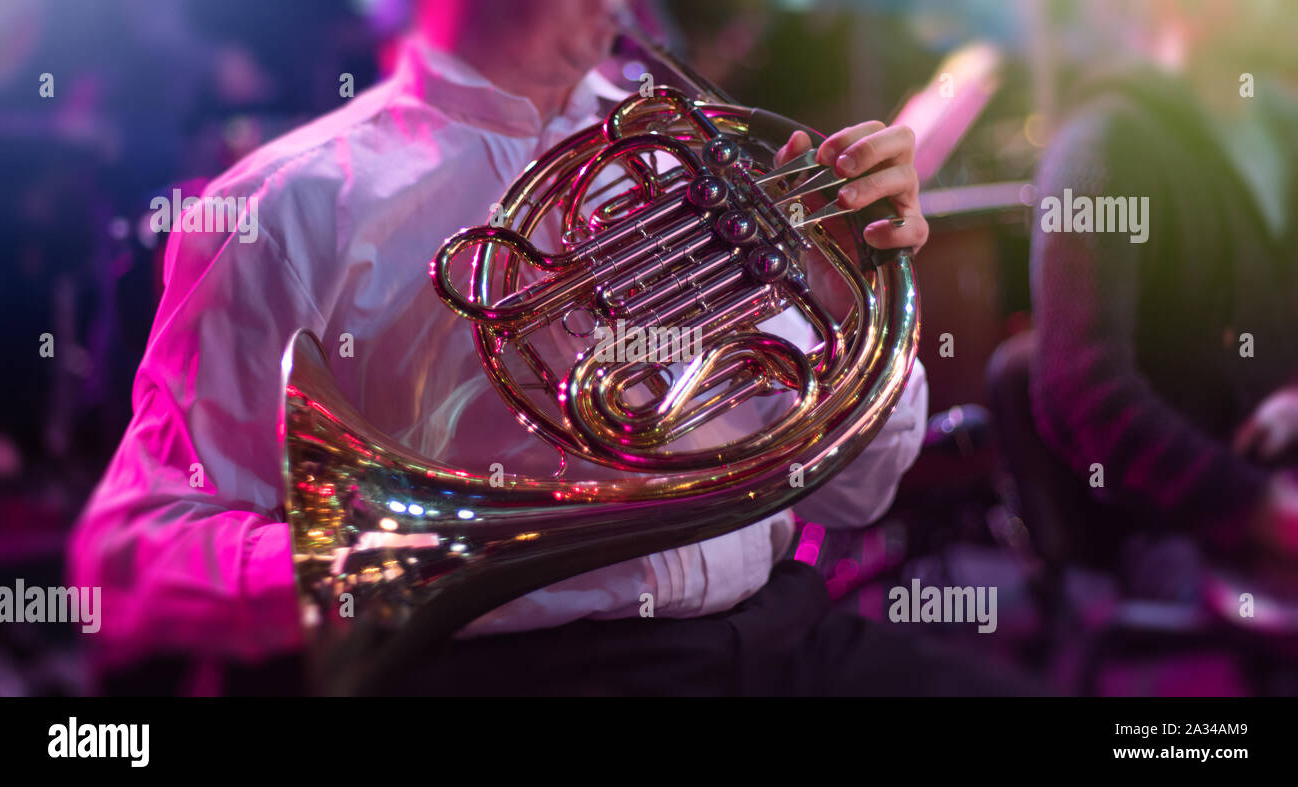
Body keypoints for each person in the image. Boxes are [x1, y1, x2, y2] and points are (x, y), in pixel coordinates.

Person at [69, 0, 1004, 696]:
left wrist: (847, 293)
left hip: (779, 636)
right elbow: (135, 554)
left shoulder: (691, 158)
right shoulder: (286, 207)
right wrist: (389, 560)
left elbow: (855, 489)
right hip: (519, 670)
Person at [1018, 0, 1298, 579]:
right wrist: (1257, 507)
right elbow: (1081, 391)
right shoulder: (1105, 143)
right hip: (1179, 528)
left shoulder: (1284, 125)